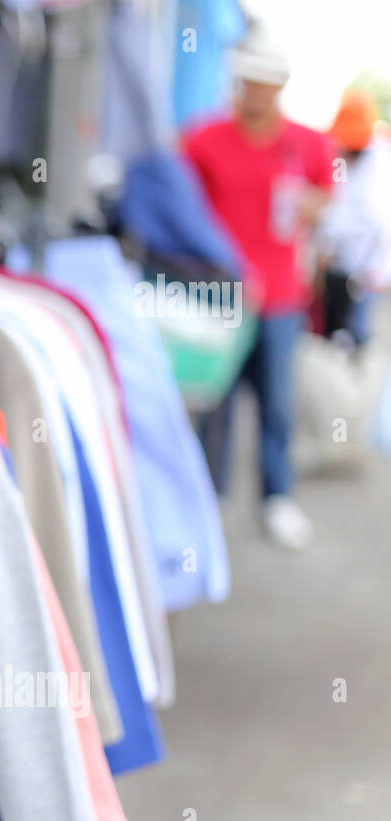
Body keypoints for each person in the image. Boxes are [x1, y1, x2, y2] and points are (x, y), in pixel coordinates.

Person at [183, 24, 334, 551]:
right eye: (247, 81)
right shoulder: (204, 139)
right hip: (220, 296)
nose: (254, 92)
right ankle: (206, 499)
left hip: (281, 298)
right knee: (213, 402)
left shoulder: (306, 144)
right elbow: (182, 207)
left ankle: (276, 498)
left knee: (276, 404)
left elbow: (327, 195)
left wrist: (314, 207)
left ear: (280, 87)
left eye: (264, 83)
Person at [315, 88, 391, 351]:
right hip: (342, 268)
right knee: (335, 338)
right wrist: (325, 246)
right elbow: (335, 207)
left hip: (371, 276)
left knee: (365, 345)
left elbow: (380, 222)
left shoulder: (380, 162)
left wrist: (379, 272)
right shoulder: (340, 156)